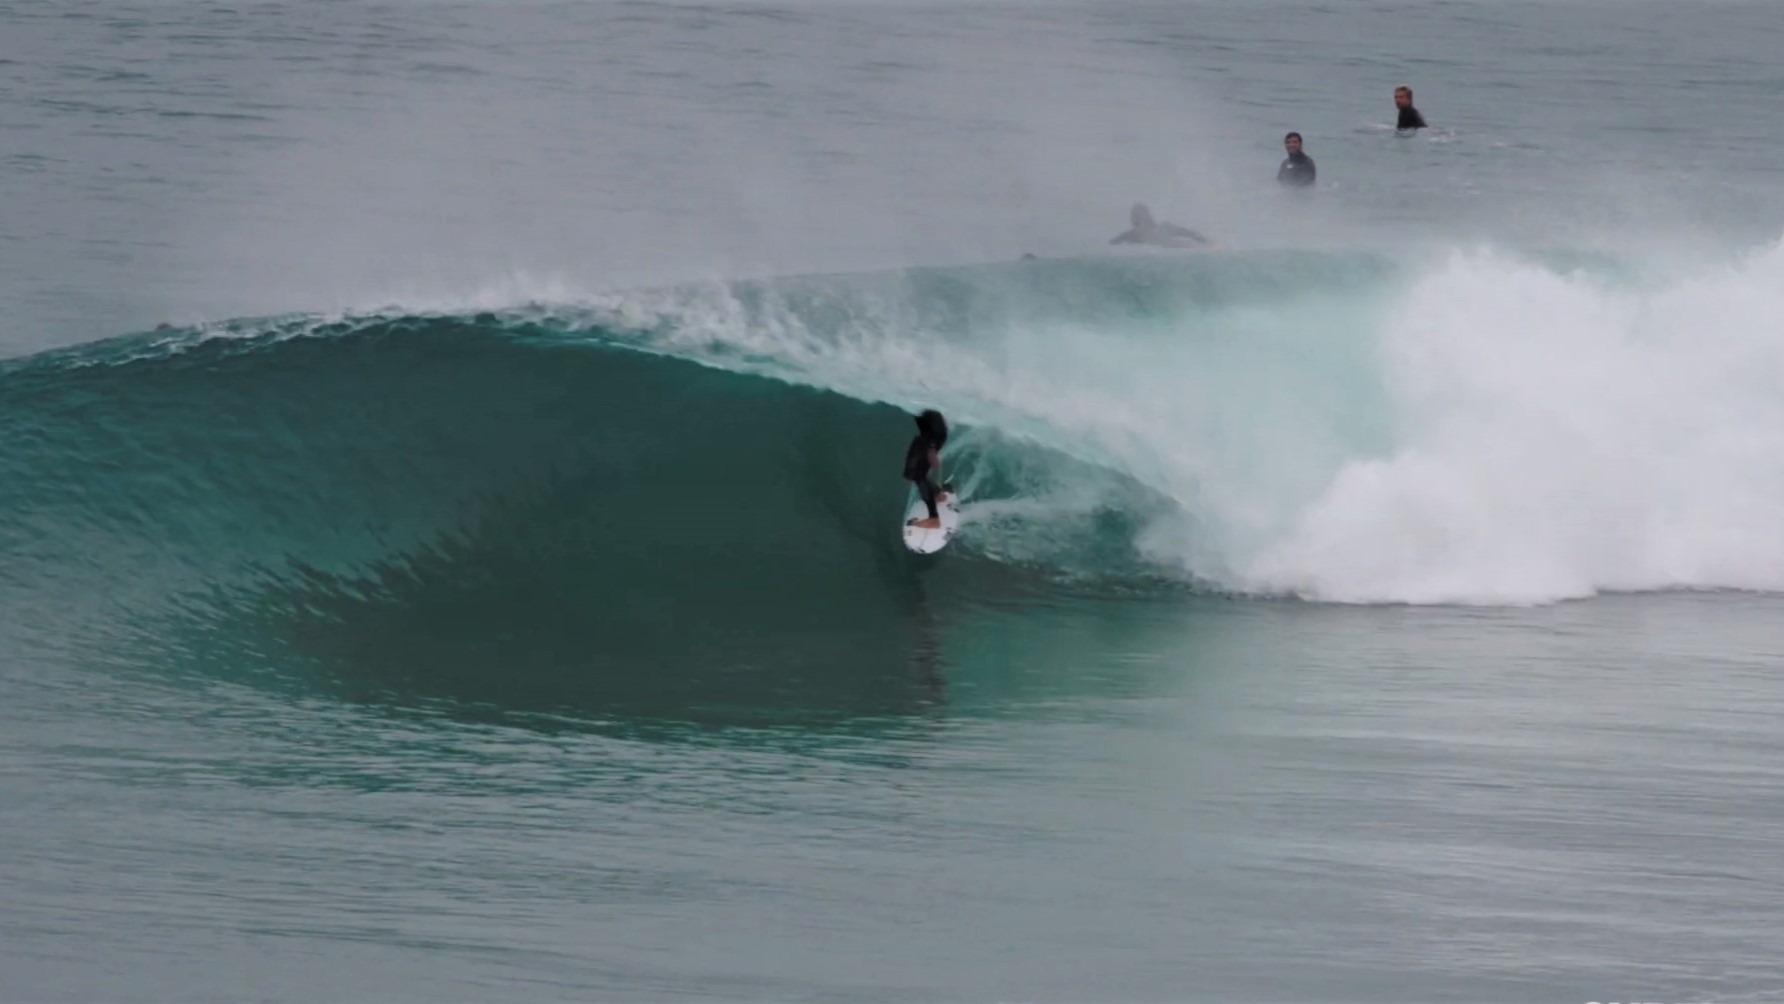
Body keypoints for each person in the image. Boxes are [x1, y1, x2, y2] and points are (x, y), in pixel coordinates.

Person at [903, 409, 951, 529]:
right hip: (930, 433)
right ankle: (937, 494)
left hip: (931, 436)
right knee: (916, 473)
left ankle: (934, 518)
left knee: (916, 474)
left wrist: (931, 448)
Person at [1110, 202, 1212, 249]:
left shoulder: (1164, 227)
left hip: (1181, 249)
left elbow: (1190, 234)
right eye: (1135, 216)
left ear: (1148, 217)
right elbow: (1112, 243)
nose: (1136, 219)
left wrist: (1207, 242)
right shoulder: (1133, 235)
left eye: (1139, 216)